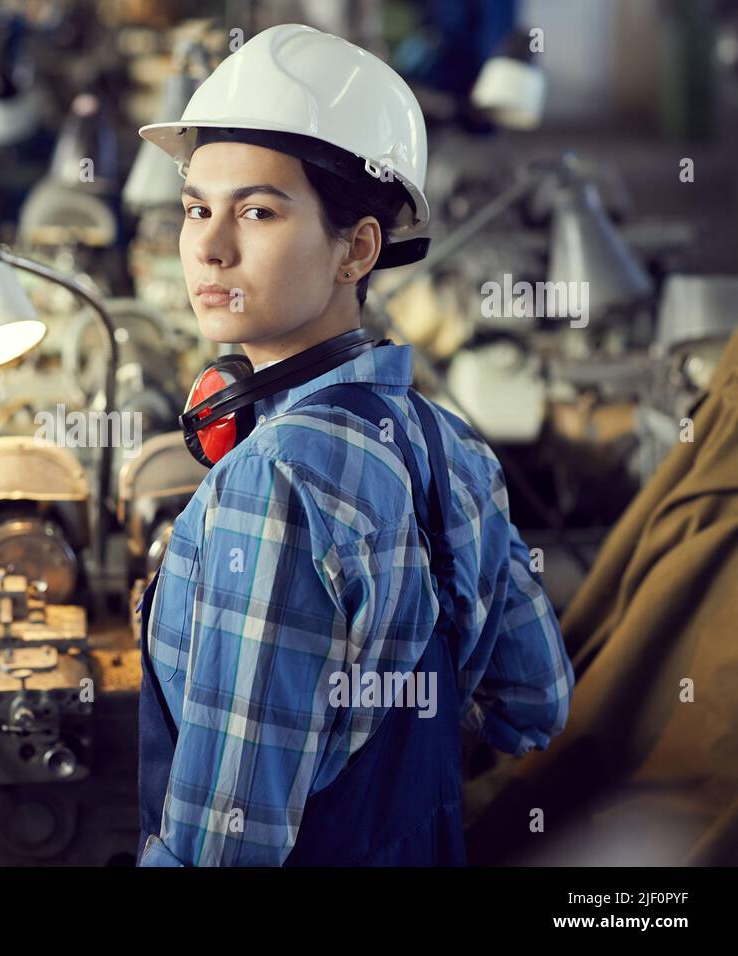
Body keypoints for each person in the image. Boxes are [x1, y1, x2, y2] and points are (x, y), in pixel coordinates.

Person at [132, 24, 573, 866]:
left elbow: (222, 849)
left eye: (258, 210)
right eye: (197, 208)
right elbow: (535, 702)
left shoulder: (270, 486)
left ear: (359, 248)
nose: (210, 247)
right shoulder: (451, 447)